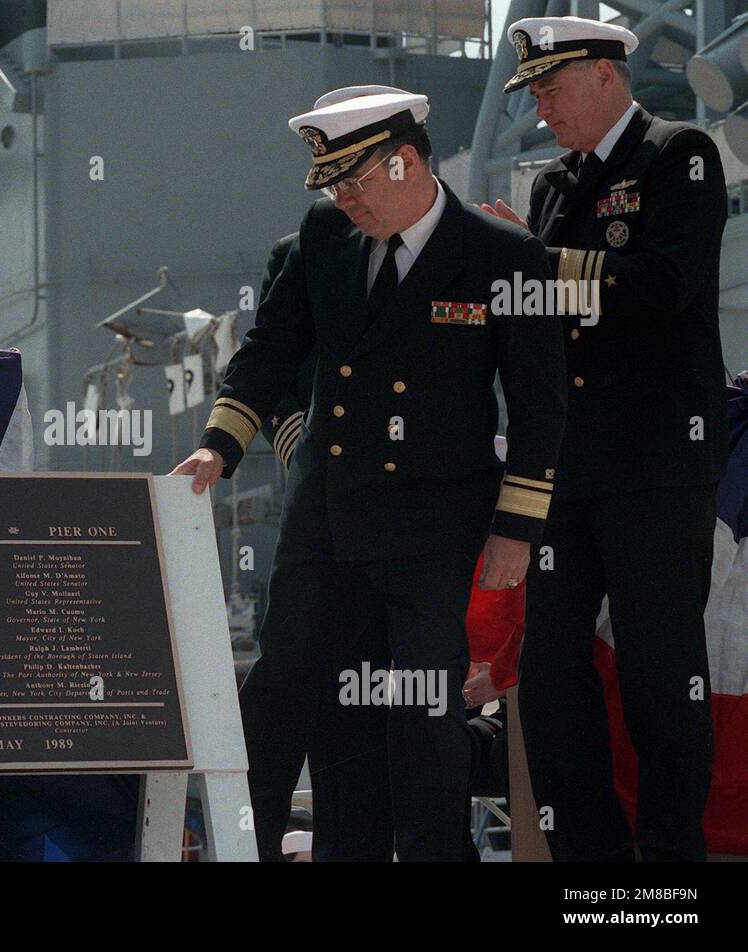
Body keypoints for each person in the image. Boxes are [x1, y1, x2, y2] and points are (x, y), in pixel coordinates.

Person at [170, 88, 566, 861]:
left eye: (353, 182)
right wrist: (221, 444)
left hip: (436, 531)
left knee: (423, 720)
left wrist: (516, 531)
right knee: (283, 697)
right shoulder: (323, 238)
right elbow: (270, 352)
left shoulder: (504, 256)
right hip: (329, 518)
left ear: (406, 161)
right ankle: (234, 850)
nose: (341, 200)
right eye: (332, 186)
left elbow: (539, 405)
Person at [483, 15, 729, 862]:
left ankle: (665, 875)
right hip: (568, 466)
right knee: (549, 675)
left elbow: (661, 283)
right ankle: (591, 868)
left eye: (550, 89)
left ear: (602, 75)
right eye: (535, 94)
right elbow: (543, 319)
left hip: (658, 460)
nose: (543, 109)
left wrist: (529, 263)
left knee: (663, 673)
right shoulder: (552, 187)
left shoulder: (679, 154)